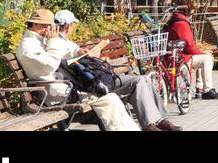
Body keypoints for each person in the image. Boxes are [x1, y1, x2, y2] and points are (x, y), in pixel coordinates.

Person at [18, 8, 179, 131]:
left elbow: (63, 55)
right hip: (60, 93)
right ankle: (152, 123)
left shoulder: (39, 42)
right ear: (40, 25)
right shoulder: (29, 46)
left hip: (68, 87)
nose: (53, 30)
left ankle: (152, 123)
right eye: (50, 27)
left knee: (112, 98)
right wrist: (54, 42)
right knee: (113, 96)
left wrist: (80, 53)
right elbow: (50, 64)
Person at [40, 11, 139, 130]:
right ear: (68, 26)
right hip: (78, 86)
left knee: (117, 95)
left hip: (82, 84)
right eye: (72, 25)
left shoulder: (64, 42)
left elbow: (75, 51)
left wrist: (85, 52)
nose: (73, 28)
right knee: (117, 94)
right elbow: (63, 60)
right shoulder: (55, 42)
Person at [163, 4, 218, 100]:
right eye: (192, 14)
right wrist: (203, 53)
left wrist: (200, 52)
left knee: (202, 58)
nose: (192, 17)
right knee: (207, 59)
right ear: (189, 12)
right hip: (179, 57)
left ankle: (200, 89)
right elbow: (189, 46)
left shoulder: (175, 20)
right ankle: (207, 90)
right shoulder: (182, 24)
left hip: (175, 55)